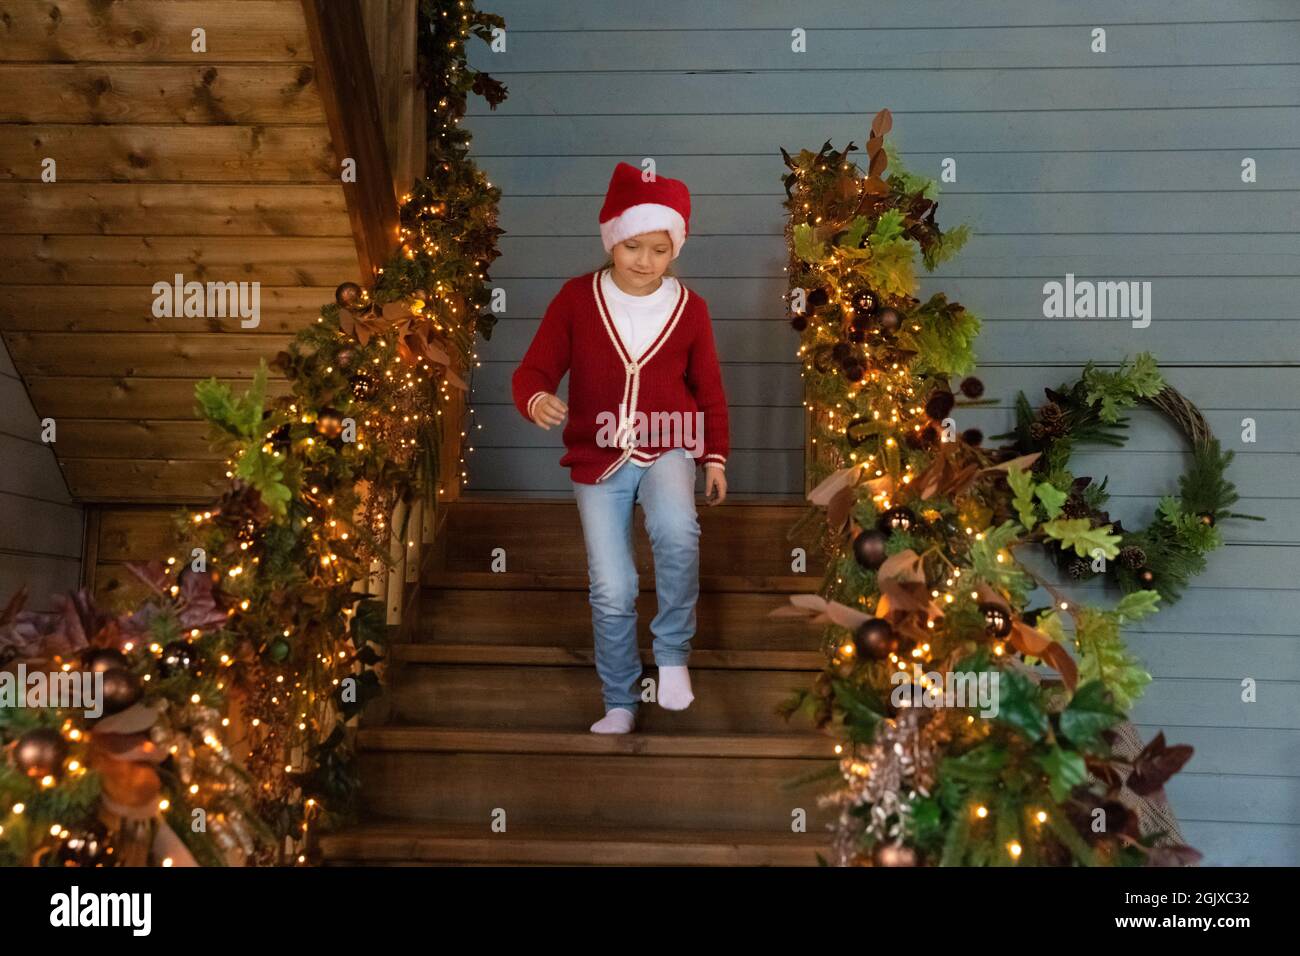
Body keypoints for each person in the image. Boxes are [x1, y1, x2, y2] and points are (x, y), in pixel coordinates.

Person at [511, 161, 731, 734]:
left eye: (659, 250)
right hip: (597, 456)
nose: (644, 261)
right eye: (632, 246)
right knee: (612, 584)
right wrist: (536, 399)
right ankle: (620, 701)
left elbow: (710, 391)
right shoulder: (576, 300)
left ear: (674, 249)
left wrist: (714, 456)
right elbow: (532, 371)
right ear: (612, 238)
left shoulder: (691, 309)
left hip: (669, 446)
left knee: (678, 530)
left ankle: (674, 655)